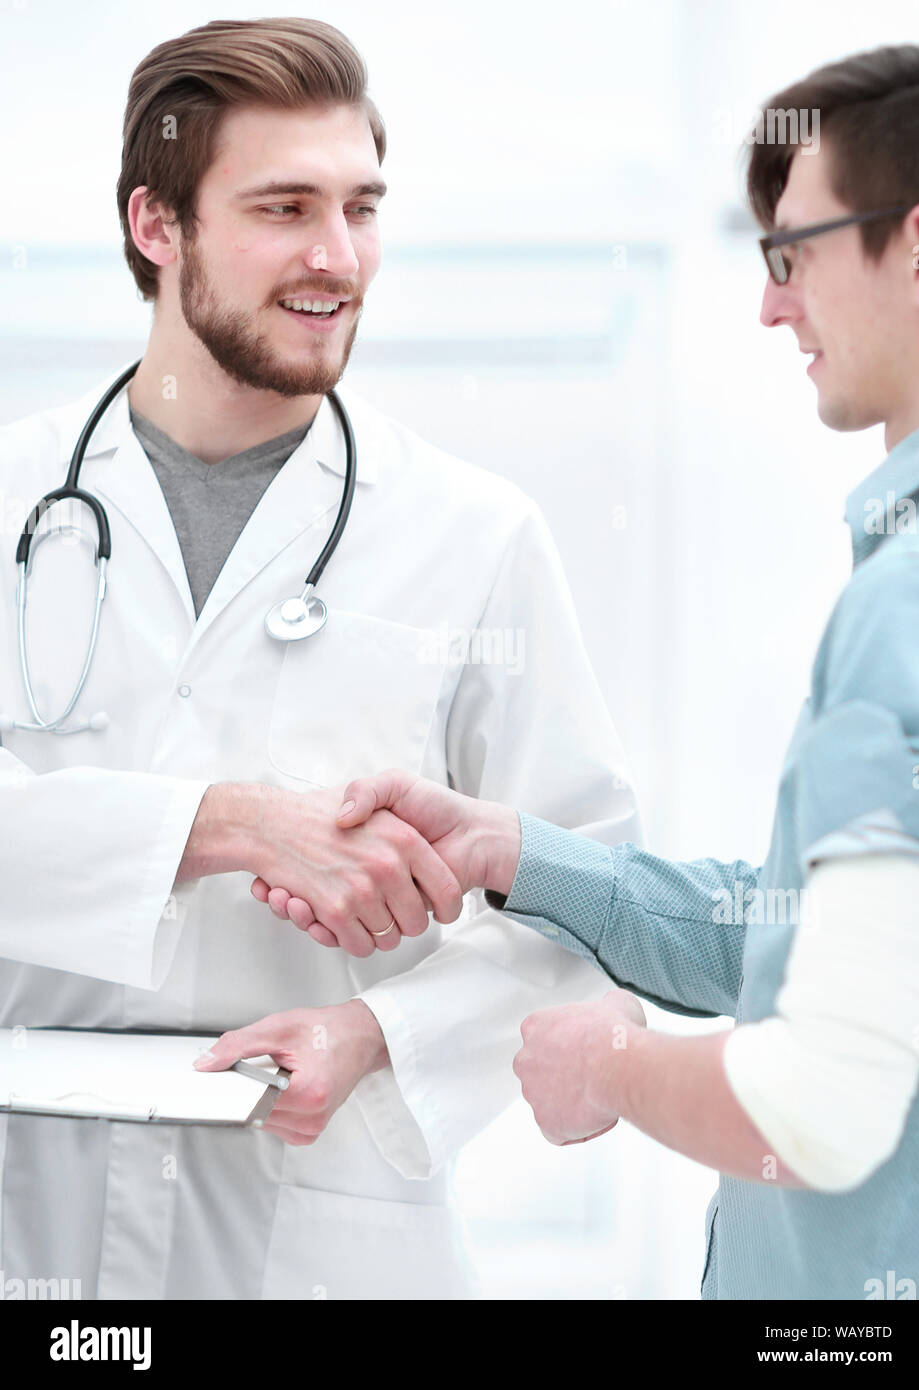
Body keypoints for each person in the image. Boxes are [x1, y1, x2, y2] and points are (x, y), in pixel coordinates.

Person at [252, 34, 919, 1300]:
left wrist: (613, 1066)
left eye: (790, 254)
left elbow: (826, 1099)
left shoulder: (913, 598)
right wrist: (520, 852)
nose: (771, 303)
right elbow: (824, 949)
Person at [0, 18, 642, 1300]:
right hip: (34, 1216)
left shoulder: (473, 535)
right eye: (284, 207)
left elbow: (593, 900)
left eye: (361, 208)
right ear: (156, 226)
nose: (336, 257)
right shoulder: (17, 495)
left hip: (321, 1238)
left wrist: (383, 1034)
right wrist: (222, 826)